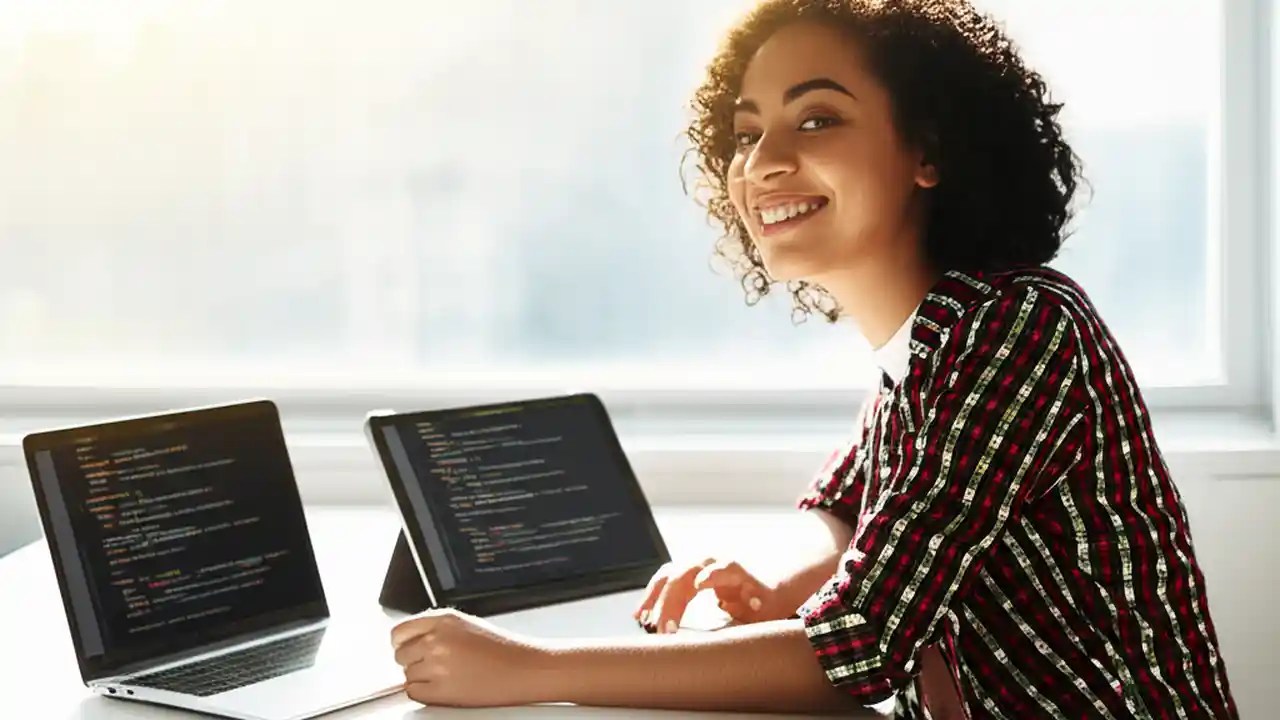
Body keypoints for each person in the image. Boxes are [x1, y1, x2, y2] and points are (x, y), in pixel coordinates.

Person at [389, 0, 1239, 717]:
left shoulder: (1018, 328)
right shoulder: (924, 348)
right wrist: (768, 582)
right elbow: (842, 511)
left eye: (817, 117)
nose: (762, 163)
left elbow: (860, 648)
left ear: (929, 152)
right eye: (747, 131)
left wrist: (531, 667)